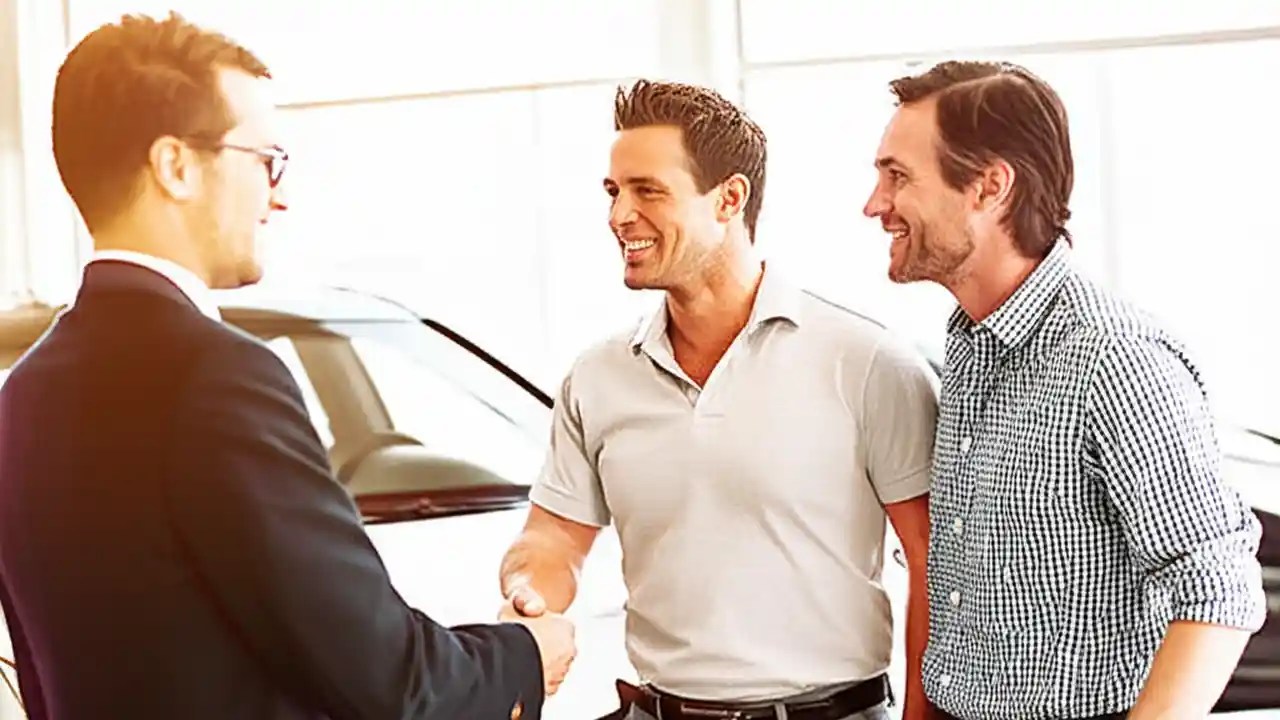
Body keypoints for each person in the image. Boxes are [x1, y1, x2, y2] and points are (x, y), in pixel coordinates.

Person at [0, 12, 573, 720]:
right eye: (264, 159)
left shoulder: (23, 395)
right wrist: (521, 656)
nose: (280, 194)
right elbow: (384, 679)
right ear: (175, 166)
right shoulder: (216, 378)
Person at [499, 79, 941, 720]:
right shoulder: (595, 378)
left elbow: (936, 568)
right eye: (614, 191)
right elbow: (554, 542)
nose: (620, 215)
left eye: (648, 190)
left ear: (729, 198)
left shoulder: (870, 363)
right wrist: (525, 595)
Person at [862, 59, 1267, 720]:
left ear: (989, 186)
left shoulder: (1117, 360)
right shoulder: (970, 343)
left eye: (897, 176)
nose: (875, 204)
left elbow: (1217, 586)